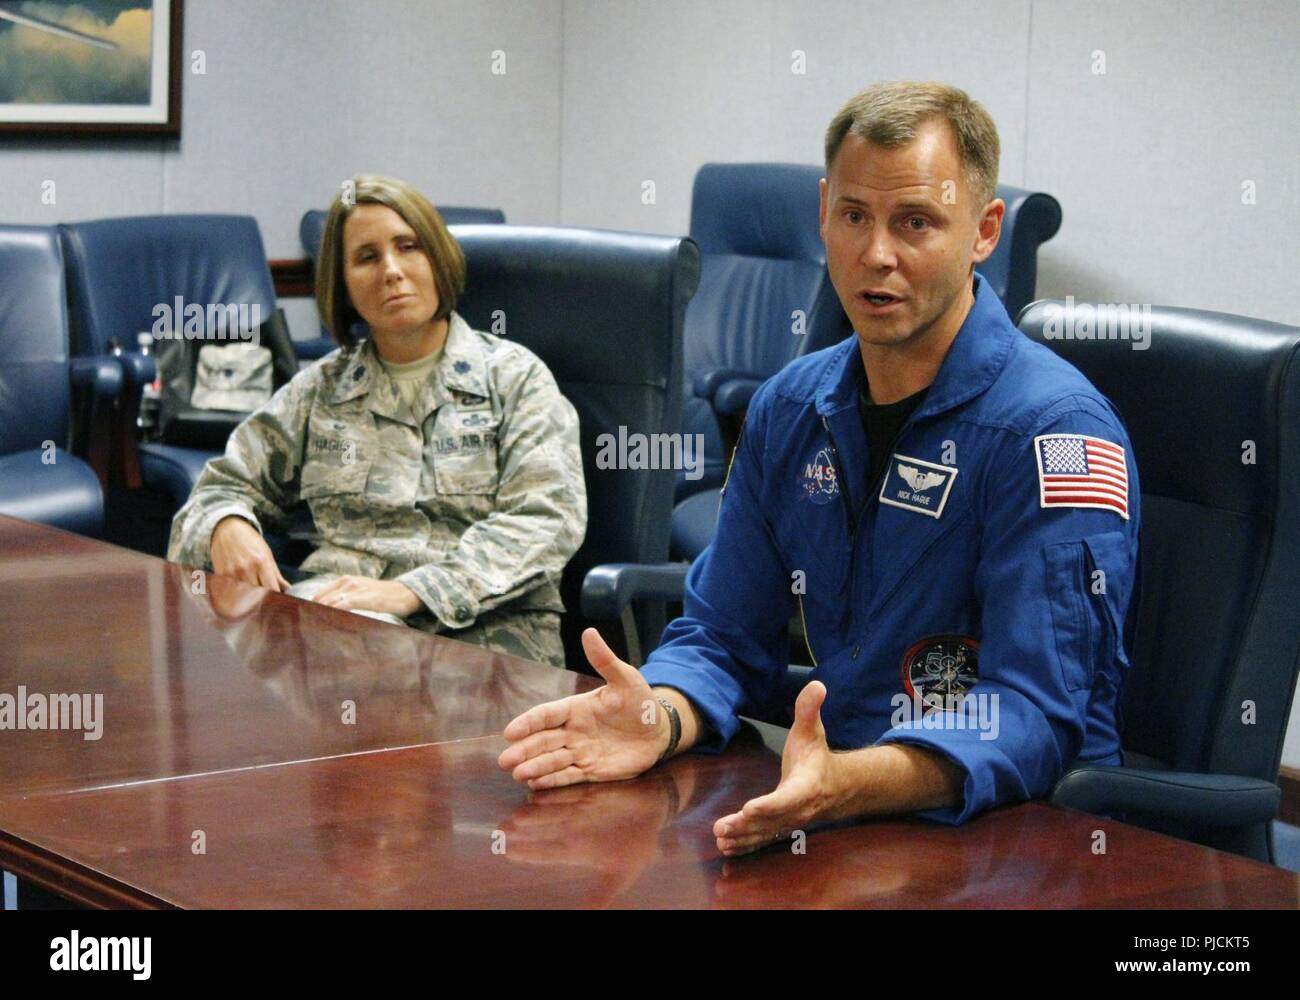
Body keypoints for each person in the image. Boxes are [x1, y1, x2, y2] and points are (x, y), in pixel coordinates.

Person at [498, 81, 1141, 853]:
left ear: (985, 232)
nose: (877, 255)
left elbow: (1037, 712)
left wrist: (851, 782)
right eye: (854, 216)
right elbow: (723, 633)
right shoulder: (790, 408)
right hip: (838, 806)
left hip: (1026, 837)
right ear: (823, 214)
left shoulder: (1054, 435)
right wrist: (662, 716)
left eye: (916, 223)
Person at [168, 174, 586, 667]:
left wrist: (414, 591)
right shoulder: (320, 389)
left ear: (438, 258)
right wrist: (227, 524)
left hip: (487, 637)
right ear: (342, 285)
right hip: (337, 630)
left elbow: (545, 519)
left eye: (408, 247)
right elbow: (219, 488)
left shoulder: (515, 380)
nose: (391, 270)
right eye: (367, 257)